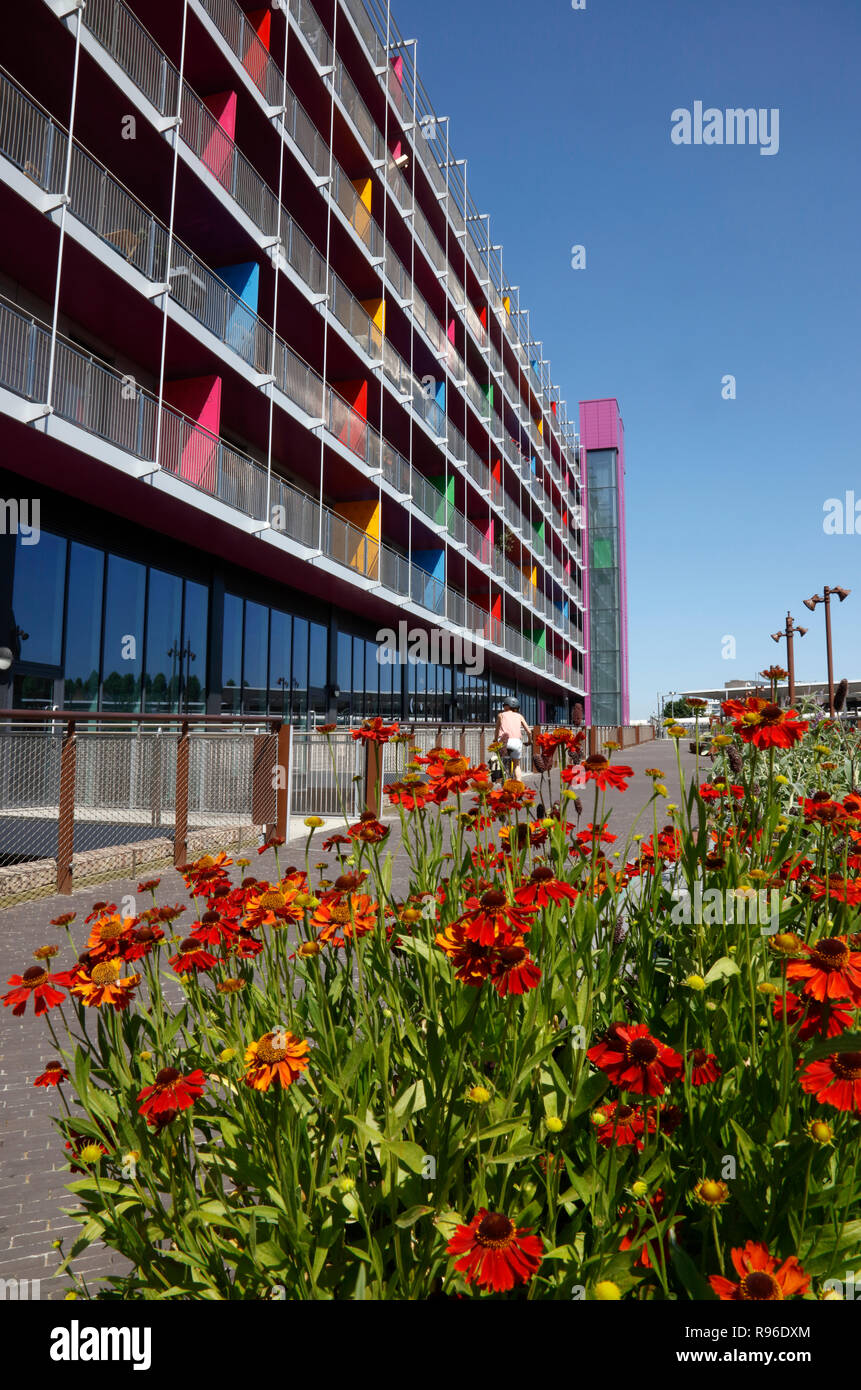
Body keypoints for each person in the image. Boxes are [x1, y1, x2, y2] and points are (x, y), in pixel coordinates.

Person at [494, 697, 531, 779]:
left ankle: (503, 777)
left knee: (501, 761)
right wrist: (529, 741)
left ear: (506, 706)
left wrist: (495, 740)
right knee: (517, 765)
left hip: (504, 741)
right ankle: (518, 786)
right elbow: (529, 731)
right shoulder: (519, 716)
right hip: (516, 742)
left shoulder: (501, 715)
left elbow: (497, 730)